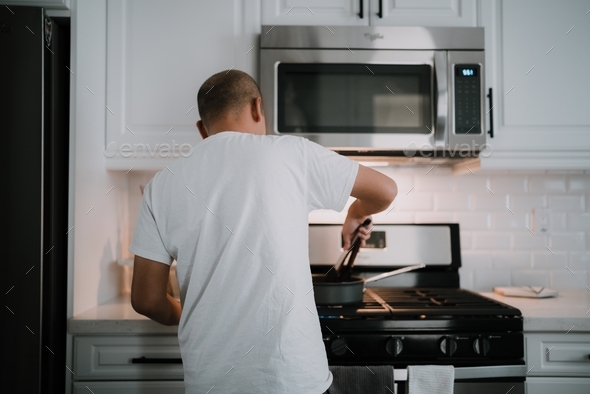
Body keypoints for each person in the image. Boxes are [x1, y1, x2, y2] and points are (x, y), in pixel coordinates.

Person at [130, 70, 397, 393]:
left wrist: (188, 312)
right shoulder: (292, 153)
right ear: (258, 108)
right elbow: (386, 190)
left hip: (211, 383)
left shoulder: (161, 186)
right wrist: (354, 215)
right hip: (294, 380)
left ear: (202, 129)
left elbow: (146, 300)